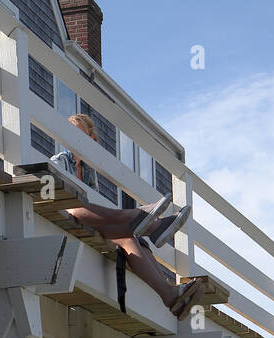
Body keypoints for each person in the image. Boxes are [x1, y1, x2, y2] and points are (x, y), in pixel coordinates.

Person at [49, 114, 206, 318]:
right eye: (72, 132)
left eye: (81, 134)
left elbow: (94, 205)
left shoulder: (88, 171)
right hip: (70, 215)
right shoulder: (60, 160)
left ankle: (170, 294)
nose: (76, 138)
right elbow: (60, 198)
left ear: (91, 139)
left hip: (91, 223)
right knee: (76, 207)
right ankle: (149, 224)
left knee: (129, 238)